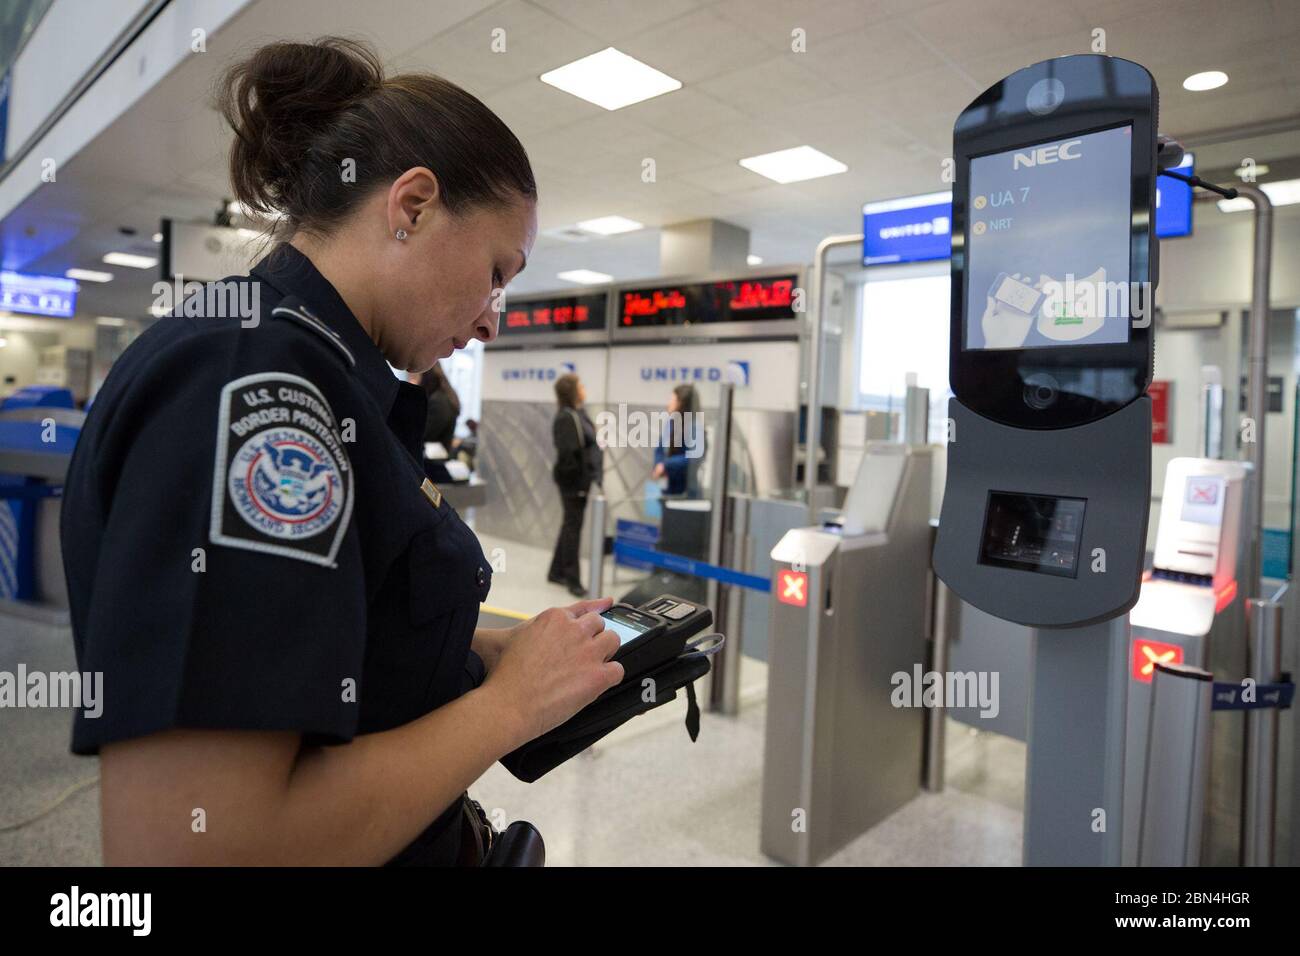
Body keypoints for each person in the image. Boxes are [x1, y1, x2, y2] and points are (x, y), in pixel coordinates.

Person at [59, 37, 623, 866]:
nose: (491, 318)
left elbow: (320, 632)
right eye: (498, 271)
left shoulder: (325, 374)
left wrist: (471, 653)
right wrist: (509, 706)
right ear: (413, 205)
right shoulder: (258, 391)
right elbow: (197, 846)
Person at [548, 373, 602, 597]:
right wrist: (579, 480)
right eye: (580, 384)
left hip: (580, 481)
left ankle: (556, 572)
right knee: (573, 529)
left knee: (569, 525)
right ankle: (572, 579)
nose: (583, 387)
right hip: (574, 483)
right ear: (572, 390)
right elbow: (568, 455)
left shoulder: (578, 413)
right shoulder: (566, 417)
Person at [652, 383, 706, 497]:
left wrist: (666, 465)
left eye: (673, 400)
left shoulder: (695, 427)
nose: (669, 404)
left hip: (686, 491)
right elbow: (660, 449)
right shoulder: (670, 424)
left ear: (681, 403)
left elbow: (694, 458)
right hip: (667, 488)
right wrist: (659, 464)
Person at [420, 362, 460, 454]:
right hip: (436, 456)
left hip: (432, 460)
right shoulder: (445, 395)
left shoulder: (439, 400)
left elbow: (425, 434)